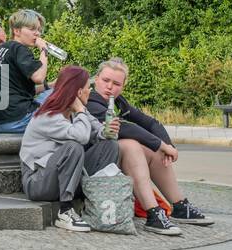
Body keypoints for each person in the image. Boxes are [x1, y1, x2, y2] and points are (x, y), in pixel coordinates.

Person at [86, 58, 212, 233]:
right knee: (131, 145)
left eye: (116, 84)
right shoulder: (90, 101)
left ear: (123, 86)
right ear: (96, 79)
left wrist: (168, 146)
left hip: (109, 160)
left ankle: (180, 206)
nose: (109, 87)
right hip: (89, 164)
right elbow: (124, 128)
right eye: (105, 80)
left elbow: (150, 123)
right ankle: (153, 213)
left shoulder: (118, 101)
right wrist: (160, 144)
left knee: (157, 153)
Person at [19, 64, 121, 232]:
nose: (90, 91)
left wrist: (108, 131)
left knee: (110, 146)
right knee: (73, 147)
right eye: (88, 88)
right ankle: (65, 212)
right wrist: (80, 110)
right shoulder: (49, 116)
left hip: (62, 177)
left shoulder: (75, 112)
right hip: (38, 182)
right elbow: (81, 137)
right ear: (78, 92)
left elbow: (98, 131)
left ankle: (98, 202)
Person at [0, 9, 52, 133]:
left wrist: (51, 85)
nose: (37, 34)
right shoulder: (19, 49)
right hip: (19, 120)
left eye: (38, 30)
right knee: (67, 91)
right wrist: (44, 50)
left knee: (53, 89)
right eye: (32, 29)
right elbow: (39, 77)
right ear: (17, 31)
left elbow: (17, 90)